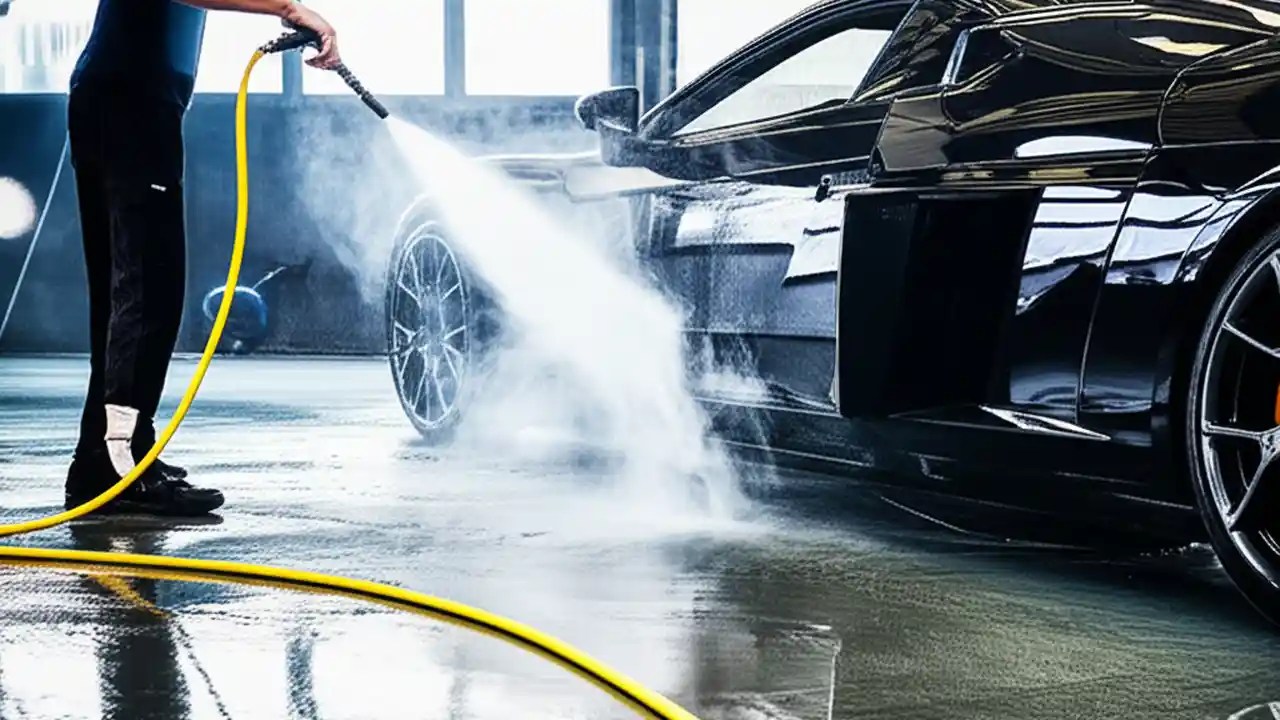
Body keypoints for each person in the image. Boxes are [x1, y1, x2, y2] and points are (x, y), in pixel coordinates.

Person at [63, 0, 341, 516]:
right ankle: (118, 468)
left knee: (128, 290)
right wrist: (288, 8)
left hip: (124, 99)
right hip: (129, 102)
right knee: (148, 289)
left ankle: (107, 458)